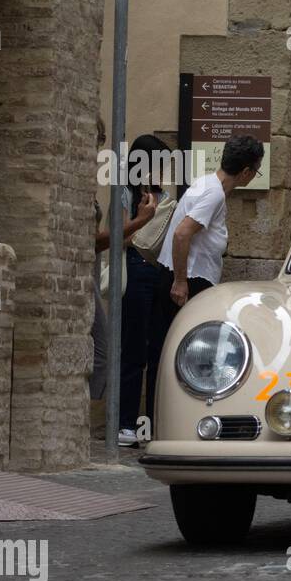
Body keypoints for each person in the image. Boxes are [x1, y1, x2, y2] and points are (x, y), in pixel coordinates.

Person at [147, 136, 264, 413]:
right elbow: (182, 233)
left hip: (184, 279)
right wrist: (180, 281)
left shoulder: (206, 184)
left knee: (167, 353)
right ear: (246, 172)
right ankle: (165, 418)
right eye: (255, 171)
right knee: (181, 356)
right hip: (188, 283)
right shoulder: (213, 193)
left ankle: (159, 417)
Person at [116, 135, 171, 445]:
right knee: (134, 349)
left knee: (157, 351)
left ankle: (149, 424)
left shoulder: (163, 196)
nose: (162, 170)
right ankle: (124, 423)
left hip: (159, 272)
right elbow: (118, 237)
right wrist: (143, 218)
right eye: (158, 163)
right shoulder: (124, 193)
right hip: (135, 268)